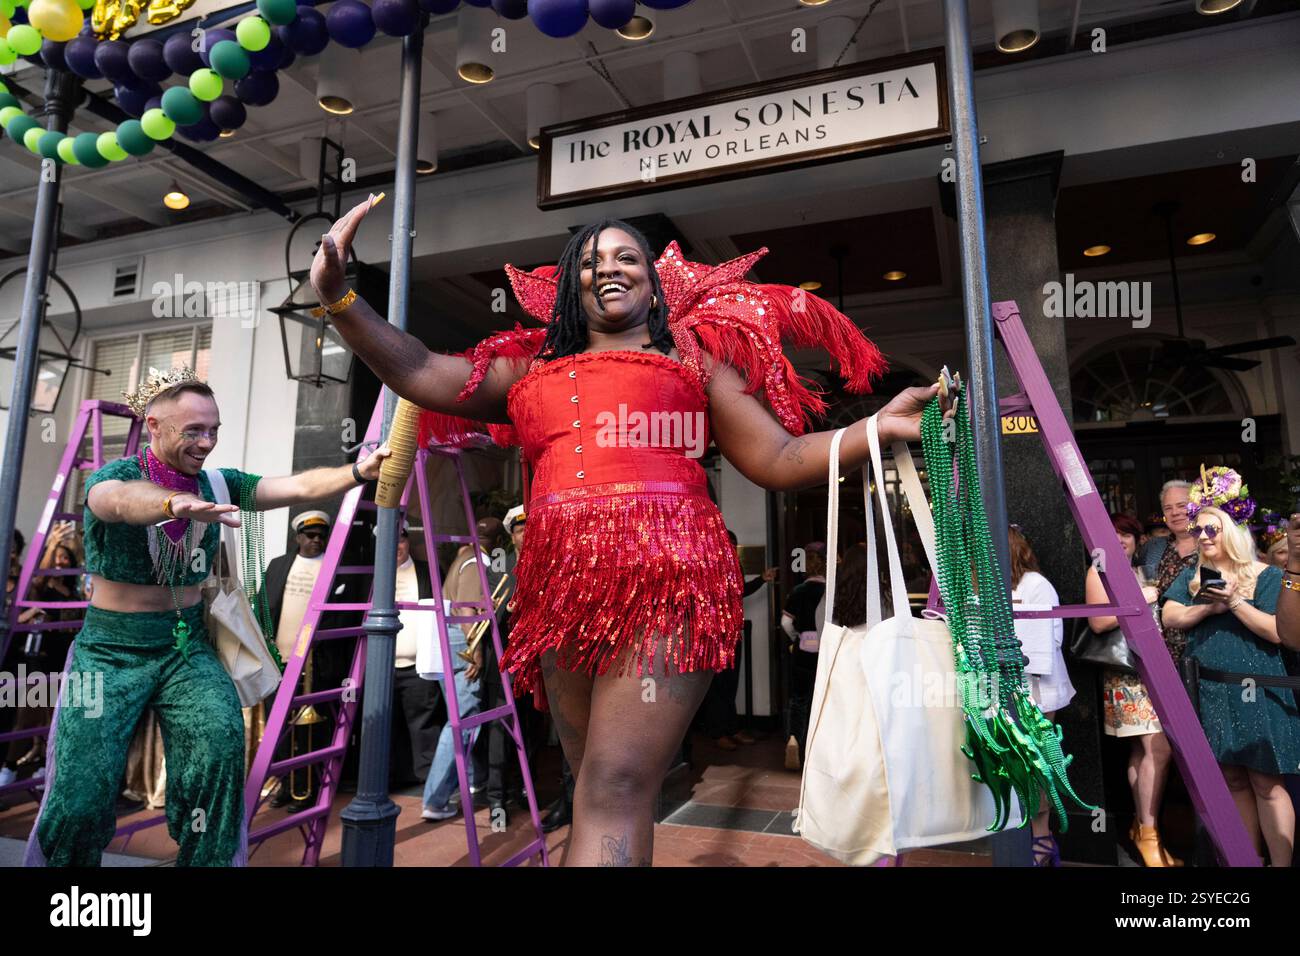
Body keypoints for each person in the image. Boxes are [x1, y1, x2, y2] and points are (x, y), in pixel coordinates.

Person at [312, 197, 947, 865]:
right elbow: (415, 369)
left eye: (625, 257)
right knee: (598, 785)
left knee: (613, 783)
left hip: (670, 580)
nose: (607, 269)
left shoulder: (695, 360)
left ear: (654, 280)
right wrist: (338, 298)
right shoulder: (529, 371)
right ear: (569, 285)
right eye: (589, 261)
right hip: (559, 595)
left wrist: (876, 426)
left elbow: (779, 458)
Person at [22, 368, 390, 867]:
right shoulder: (117, 478)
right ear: (153, 425)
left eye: (213, 429)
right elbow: (116, 504)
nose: (207, 441)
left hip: (186, 649)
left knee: (218, 751)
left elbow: (295, 485)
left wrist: (356, 473)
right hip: (109, 650)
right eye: (193, 430)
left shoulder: (218, 482)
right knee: (82, 789)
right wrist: (174, 503)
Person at [1161, 505, 1300, 867]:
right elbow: (1169, 615)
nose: (1203, 536)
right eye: (1199, 530)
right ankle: (1247, 859)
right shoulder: (1195, 576)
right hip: (1211, 692)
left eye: (1212, 529)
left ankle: (1282, 863)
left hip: (1259, 692)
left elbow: (1278, 632)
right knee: (1232, 780)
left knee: (1267, 783)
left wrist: (1234, 602)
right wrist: (1208, 609)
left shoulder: (1268, 575)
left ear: (1233, 534)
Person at [1085, 513, 1180, 867]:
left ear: (1137, 540)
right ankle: (1148, 833)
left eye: (1126, 534)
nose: (1121, 540)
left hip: (1154, 669)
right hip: (1127, 675)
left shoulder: (1140, 568)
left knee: (1146, 753)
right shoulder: (1099, 572)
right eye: (1112, 534)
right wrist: (1140, 599)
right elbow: (1098, 622)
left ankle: (1145, 831)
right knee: (1159, 748)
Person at [421, 517, 503, 821]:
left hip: (448, 643)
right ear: (497, 542)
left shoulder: (463, 557)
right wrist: (476, 651)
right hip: (462, 644)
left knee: (459, 717)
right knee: (463, 722)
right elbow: (468, 608)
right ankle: (436, 798)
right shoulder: (477, 562)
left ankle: (470, 778)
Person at [1007, 526, 1075, 866]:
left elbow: (1050, 639)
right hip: (1000, 690)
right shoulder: (984, 586)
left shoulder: (1035, 585)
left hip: (1036, 691)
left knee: (1037, 764)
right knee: (1013, 765)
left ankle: (1042, 838)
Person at [696, 529, 776, 751]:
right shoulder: (708, 567)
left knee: (731, 683)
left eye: (733, 544)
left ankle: (731, 728)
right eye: (726, 544)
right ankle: (717, 731)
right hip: (714, 632)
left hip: (733, 631)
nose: (730, 548)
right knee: (717, 684)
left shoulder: (734, 567)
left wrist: (762, 579)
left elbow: (740, 591)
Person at [781, 542, 827, 773]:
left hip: (803, 648)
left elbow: (786, 622)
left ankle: (793, 739)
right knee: (825, 699)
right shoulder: (832, 591)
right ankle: (821, 749)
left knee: (798, 699)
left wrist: (796, 639)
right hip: (826, 649)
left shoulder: (798, 592)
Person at [1145, 481, 1199, 667]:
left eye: (1181, 505)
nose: (1175, 512)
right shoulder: (1153, 548)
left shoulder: (1214, 545)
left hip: (1204, 644)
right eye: (1168, 508)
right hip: (1163, 651)